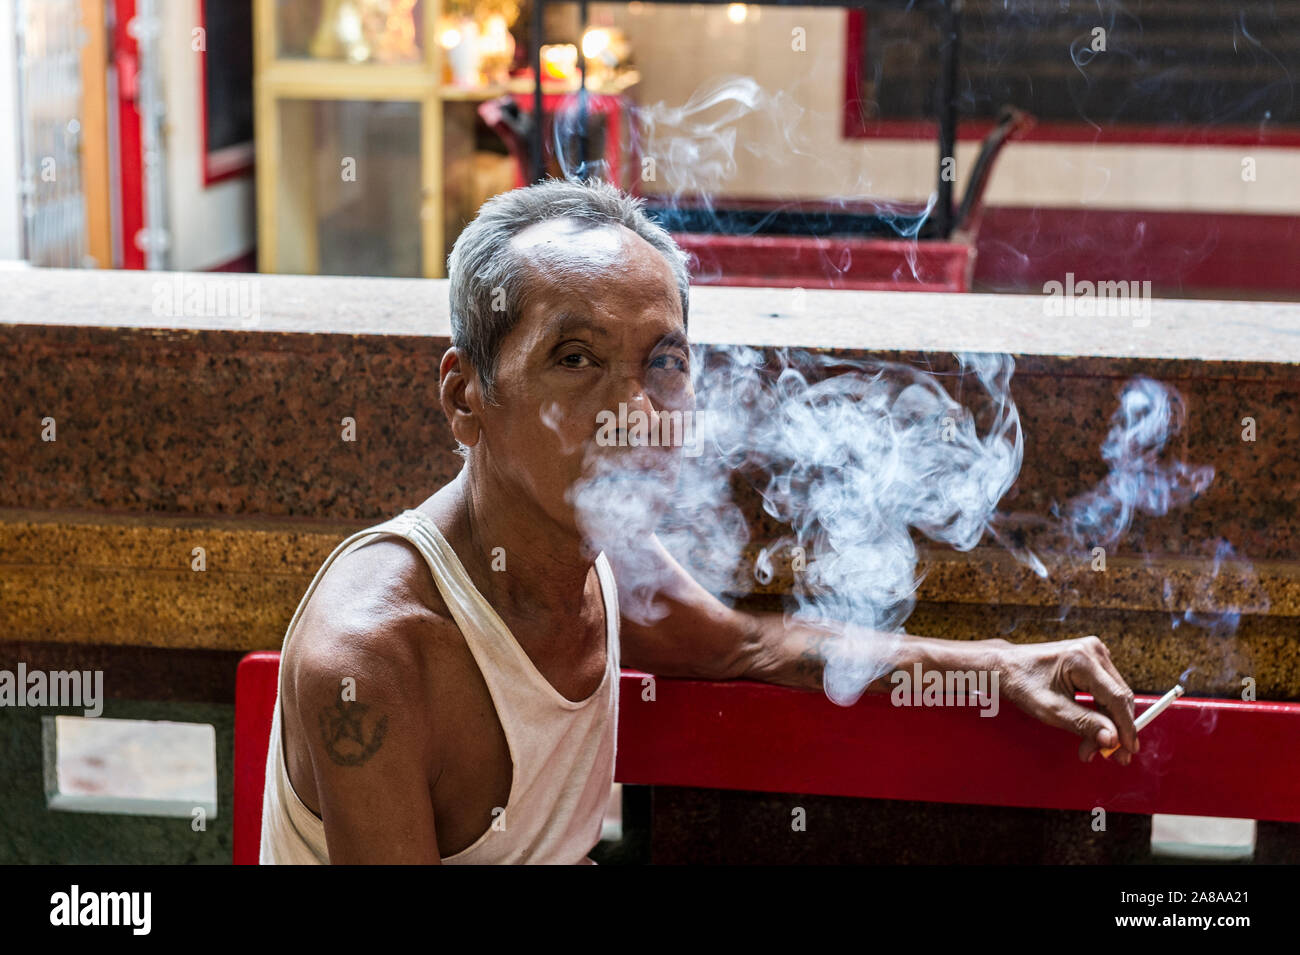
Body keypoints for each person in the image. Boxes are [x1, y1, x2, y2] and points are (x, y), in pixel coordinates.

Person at [260, 177, 1139, 864]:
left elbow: (753, 646)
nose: (636, 410)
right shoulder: (375, 654)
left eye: (664, 362)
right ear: (466, 395)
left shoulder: (605, 565)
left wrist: (996, 664)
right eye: (575, 358)